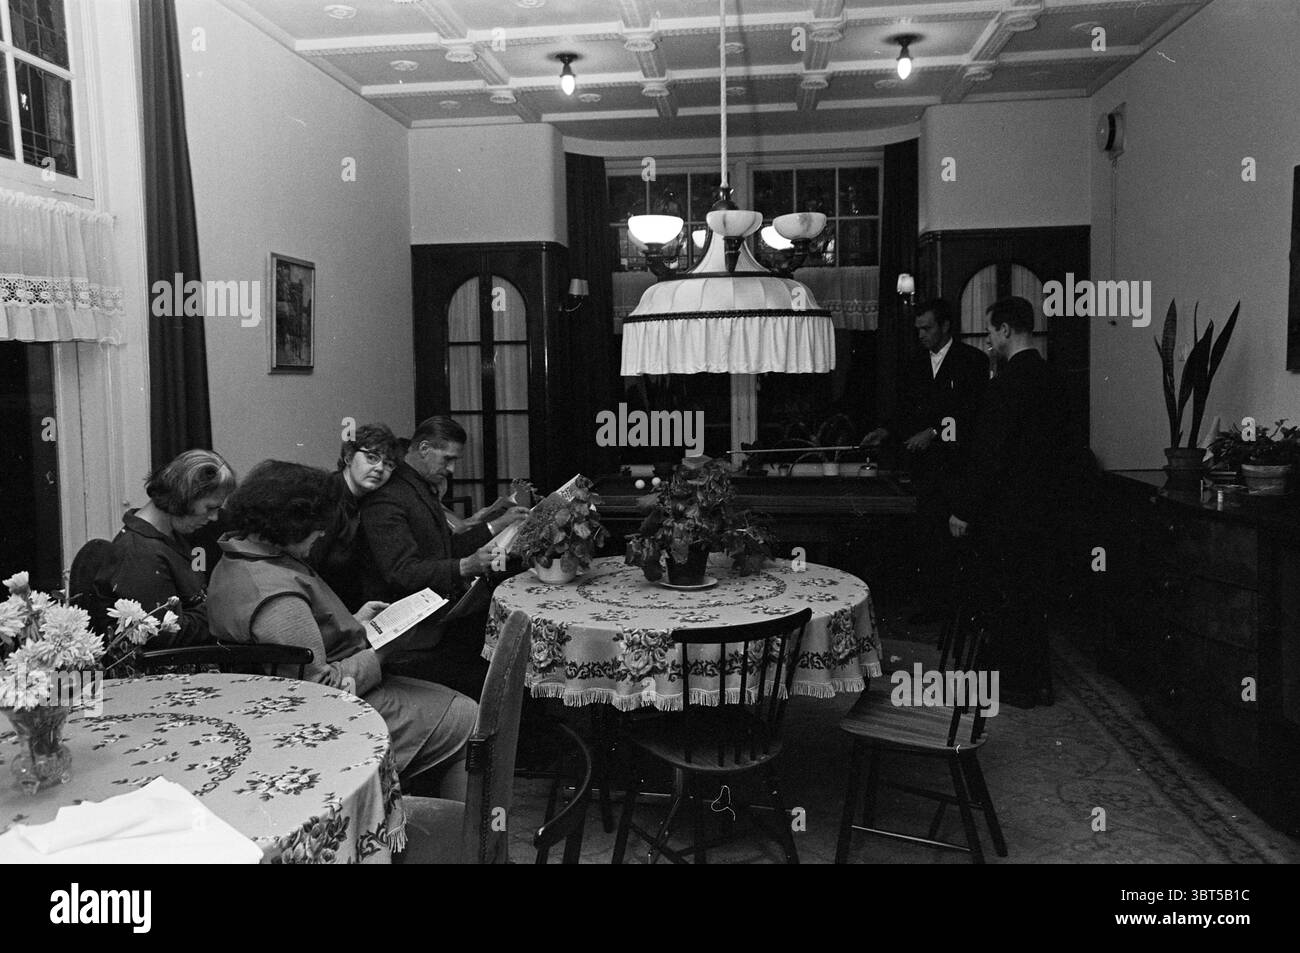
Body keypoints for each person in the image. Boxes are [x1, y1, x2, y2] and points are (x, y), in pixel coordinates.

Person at [206, 460, 475, 795]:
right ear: (290, 522)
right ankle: (445, 823)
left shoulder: (239, 557)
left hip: (284, 695)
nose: (322, 534)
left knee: (449, 701)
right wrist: (385, 650)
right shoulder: (276, 598)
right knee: (469, 716)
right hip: (320, 715)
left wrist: (353, 620)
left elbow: (301, 636)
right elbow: (320, 689)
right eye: (317, 527)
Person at [949, 296, 1069, 708]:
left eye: (990, 331)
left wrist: (964, 509)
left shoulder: (1005, 385)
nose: (989, 340)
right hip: (1046, 508)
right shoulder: (1054, 378)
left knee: (1005, 600)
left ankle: (1013, 685)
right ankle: (1037, 683)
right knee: (1033, 600)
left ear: (1005, 330)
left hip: (1007, 513)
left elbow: (989, 456)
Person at [360, 416, 527, 699]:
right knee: (504, 632)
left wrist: (497, 526)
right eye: (448, 459)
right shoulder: (388, 496)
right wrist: (465, 566)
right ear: (424, 448)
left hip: (437, 606)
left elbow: (445, 547)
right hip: (412, 622)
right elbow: (402, 572)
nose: (451, 469)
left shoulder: (417, 486)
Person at [862, 298, 988, 617]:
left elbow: (971, 413)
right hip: (925, 470)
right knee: (928, 538)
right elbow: (905, 410)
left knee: (957, 541)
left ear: (945, 326)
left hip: (958, 467)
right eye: (918, 329)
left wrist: (933, 432)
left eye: (927, 328)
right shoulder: (914, 363)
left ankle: (961, 612)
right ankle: (932, 607)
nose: (920, 334)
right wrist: (885, 431)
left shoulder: (972, 361)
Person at [96, 449, 237, 649]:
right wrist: (222, 608)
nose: (214, 517)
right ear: (184, 497)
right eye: (209, 507)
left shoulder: (175, 535)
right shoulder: (140, 552)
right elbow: (165, 634)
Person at [309, 423, 401, 611]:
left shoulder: (371, 502)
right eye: (372, 457)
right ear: (349, 457)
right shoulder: (327, 496)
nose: (379, 468)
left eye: (388, 464)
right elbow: (309, 569)